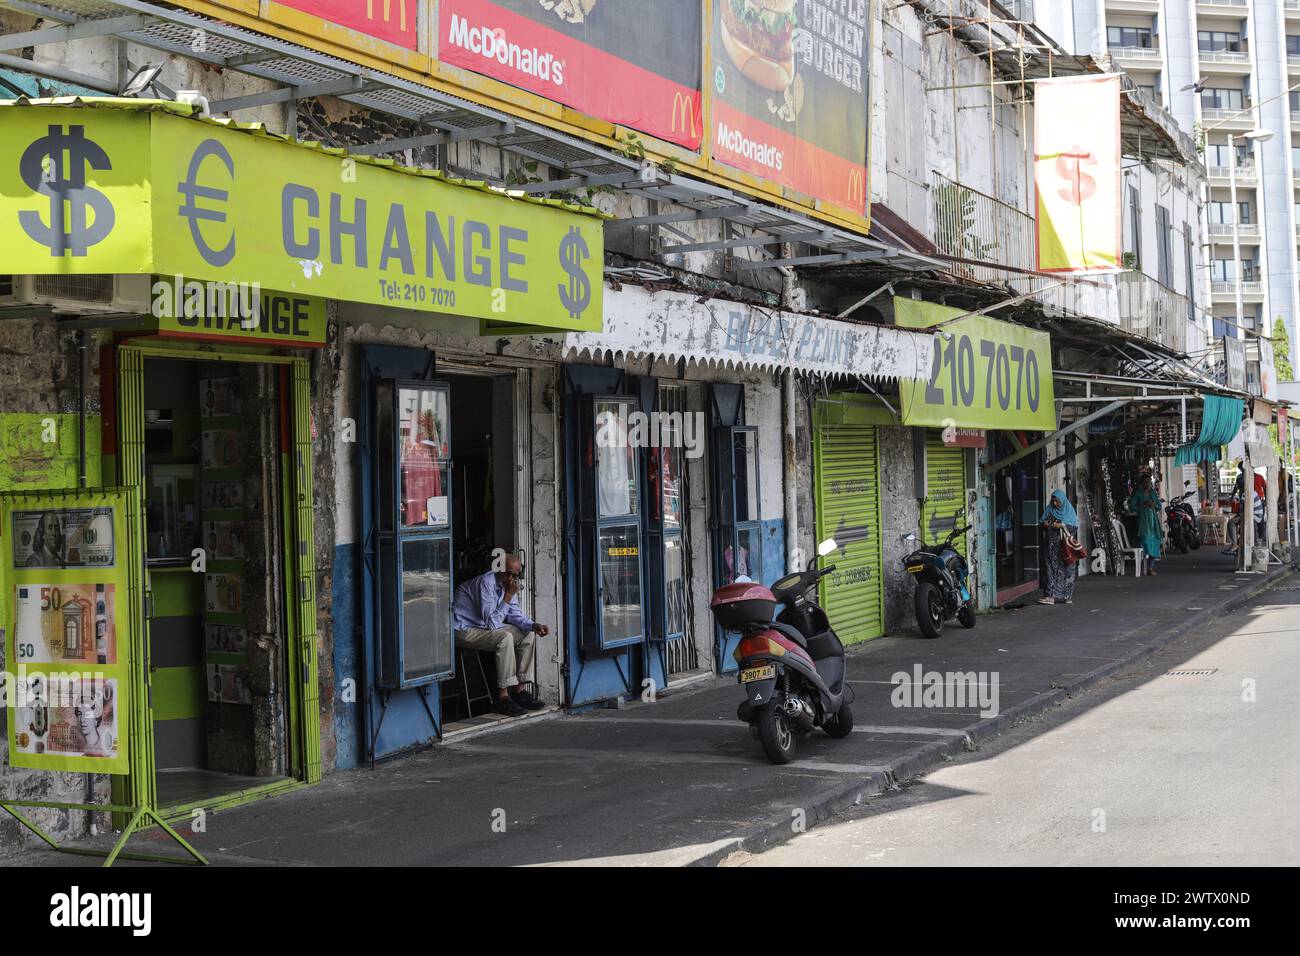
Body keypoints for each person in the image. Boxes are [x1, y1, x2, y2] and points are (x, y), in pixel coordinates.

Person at [452, 552, 550, 716]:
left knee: (528, 634)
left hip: (482, 627)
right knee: (505, 638)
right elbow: (492, 623)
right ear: (498, 569)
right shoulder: (486, 583)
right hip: (463, 629)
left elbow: (514, 615)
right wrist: (508, 595)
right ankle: (503, 698)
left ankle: (519, 691)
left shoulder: (509, 586)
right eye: (507, 573)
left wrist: (533, 625)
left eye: (515, 575)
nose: (510, 579)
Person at [1038, 490, 1080, 605]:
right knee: (1050, 570)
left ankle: (1067, 596)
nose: (1055, 503)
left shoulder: (1069, 511)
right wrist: (1045, 524)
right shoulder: (1050, 509)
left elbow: (1074, 527)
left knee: (1067, 571)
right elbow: (1042, 522)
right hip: (1051, 549)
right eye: (1053, 501)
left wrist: (1062, 525)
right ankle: (1051, 597)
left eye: (1057, 501)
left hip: (1064, 549)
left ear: (1063, 501)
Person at [1126, 473, 1163, 576]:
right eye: (1145, 482)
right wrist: (1143, 504)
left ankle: (1150, 568)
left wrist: (1154, 504)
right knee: (1145, 541)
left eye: (1149, 482)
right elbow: (1131, 507)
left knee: (1155, 542)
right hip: (1143, 521)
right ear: (1141, 483)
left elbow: (1159, 506)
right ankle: (1141, 565)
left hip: (1153, 521)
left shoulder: (1152, 493)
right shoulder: (1137, 493)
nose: (1147, 484)